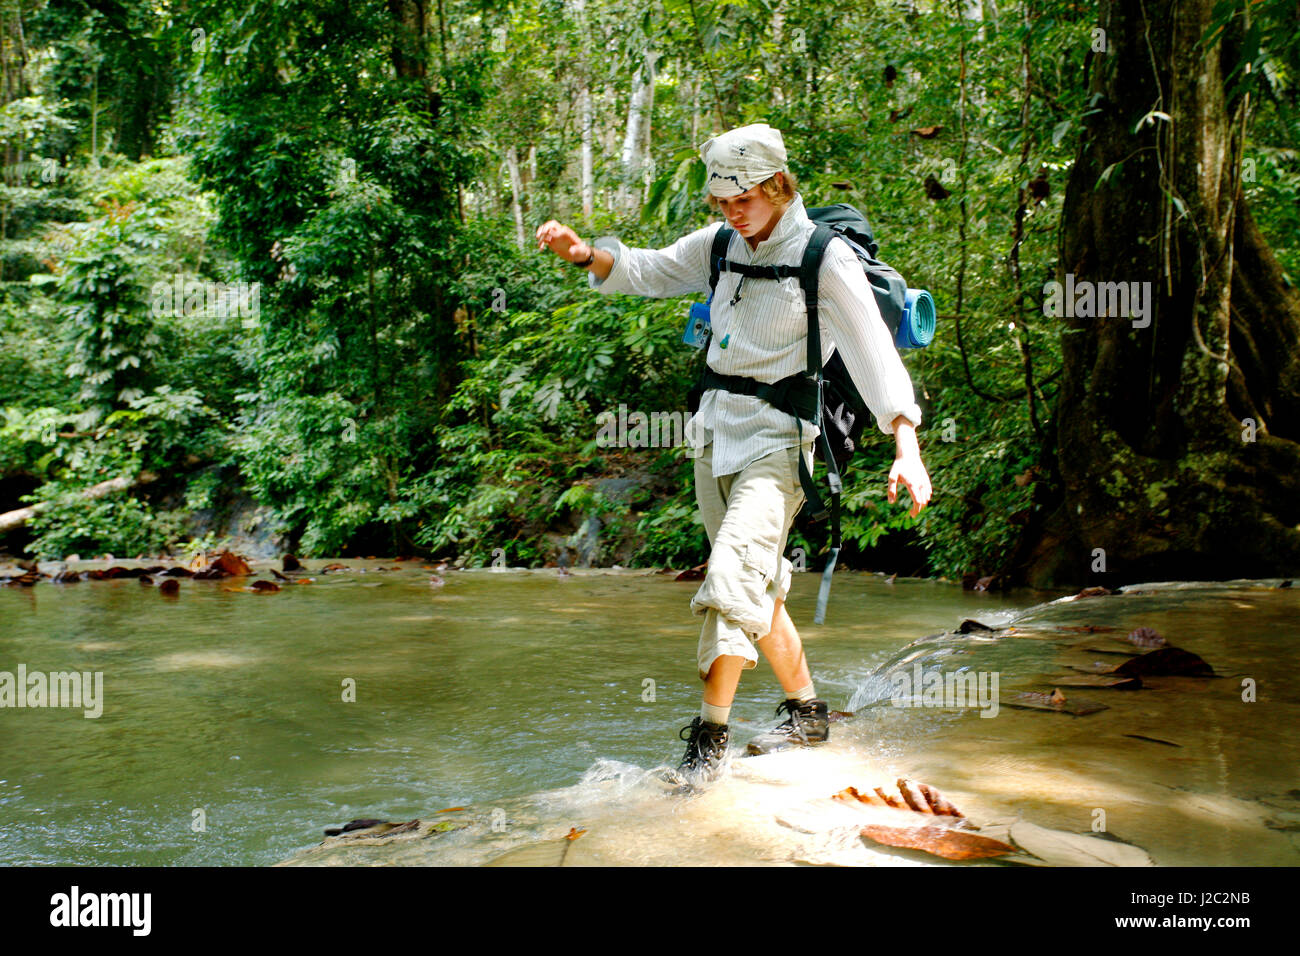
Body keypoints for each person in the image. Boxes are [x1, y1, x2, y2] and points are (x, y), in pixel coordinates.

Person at [535, 123, 932, 782]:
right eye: (721, 203)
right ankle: (808, 713)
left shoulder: (822, 258)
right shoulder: (722, 243)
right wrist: (585, 255)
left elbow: (872, 351)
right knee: (757, 587)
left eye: (741, 200)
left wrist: (906, 445)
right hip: (714, 435)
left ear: (777, 184)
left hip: (781, 439)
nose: (730, 213)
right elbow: (650, 269)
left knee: (729, 584)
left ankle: (706, 746)